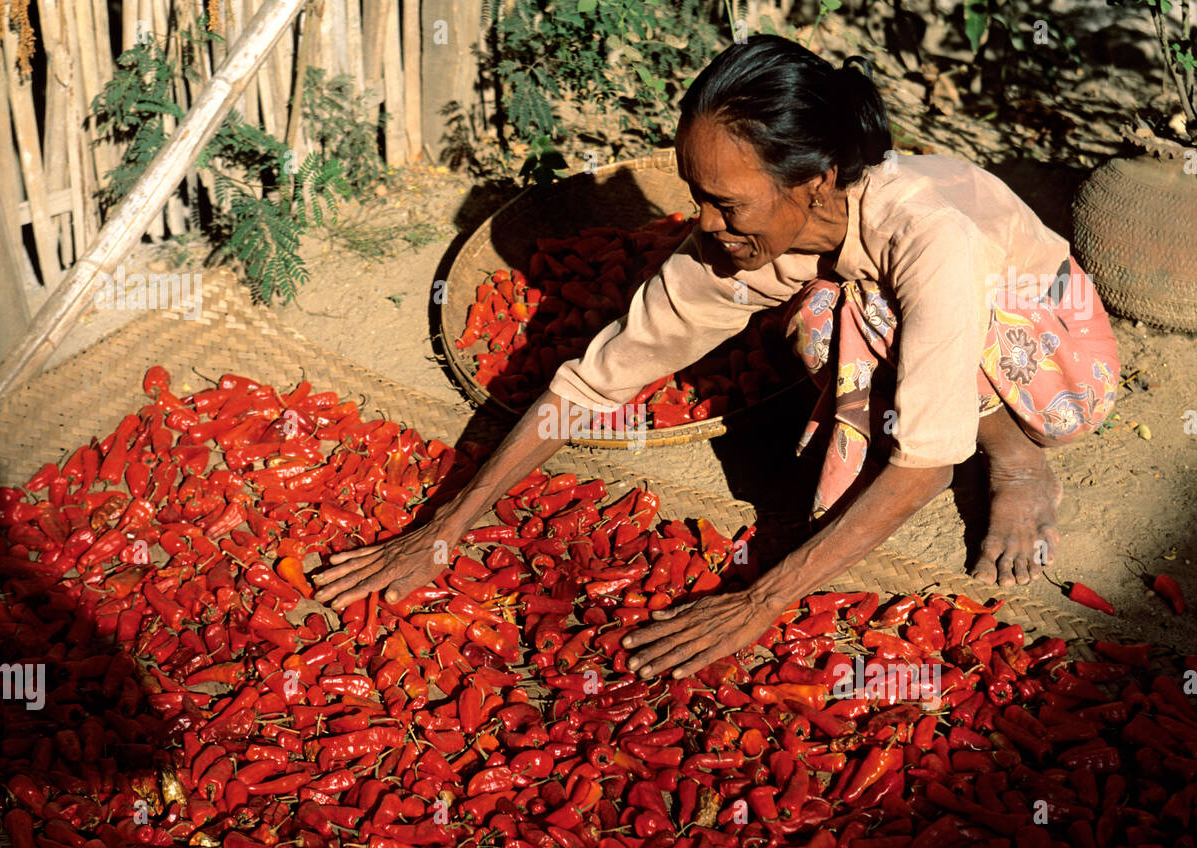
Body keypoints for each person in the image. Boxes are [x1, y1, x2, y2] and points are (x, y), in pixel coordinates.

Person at [314, 35, 1119, 681]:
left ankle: (1016, 458)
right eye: (697, 192)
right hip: (892, 311)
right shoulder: (737, 243)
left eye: (724, 201)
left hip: (1038, 337)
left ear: (816, 180)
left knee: (867, 312)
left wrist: (759, 602)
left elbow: (920, 470)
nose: (701, 220)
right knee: (820, 318)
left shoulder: (926, 232)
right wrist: (450, 525)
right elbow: (594, 380)